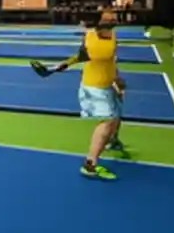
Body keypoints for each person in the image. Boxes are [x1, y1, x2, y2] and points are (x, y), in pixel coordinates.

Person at [54, 20, 129, 180]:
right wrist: (68, 63)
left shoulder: (108, 39)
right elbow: (87, 55)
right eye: (107, 28)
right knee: (107, 121)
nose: (111, 31)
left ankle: (112, 139)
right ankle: (90, 164)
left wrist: (117, 80)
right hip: (94, 87)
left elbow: (110, 61)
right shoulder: (95, 42)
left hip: (108, 83)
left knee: (116, 112)